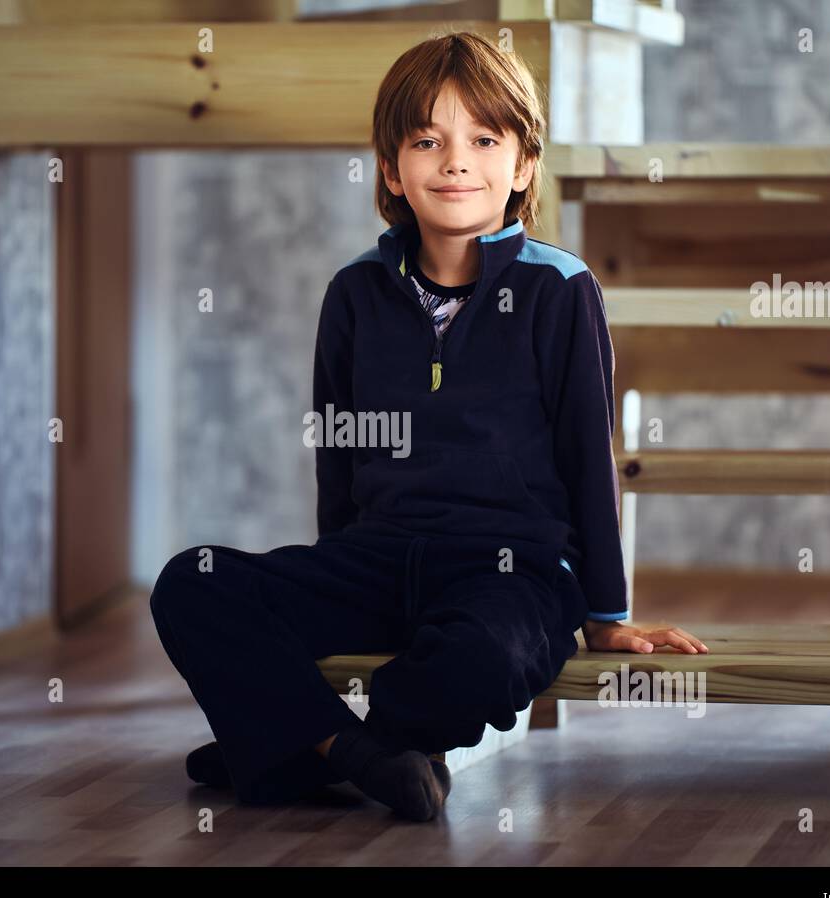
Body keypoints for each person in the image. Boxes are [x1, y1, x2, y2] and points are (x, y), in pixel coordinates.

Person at [149, 31, 705, 823]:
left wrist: (605, 615)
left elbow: (589, 456)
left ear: (520, 167)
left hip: (510, 569)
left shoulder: (560, 289)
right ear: (390, 169)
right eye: (427, 140)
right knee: (191, 583)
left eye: (484, 139)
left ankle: (299, 745)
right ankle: (352, 755)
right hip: (374, 558)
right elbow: (338, 453)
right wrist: (331, 564)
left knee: (485, 659)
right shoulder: (355, 293)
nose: (455, 161)